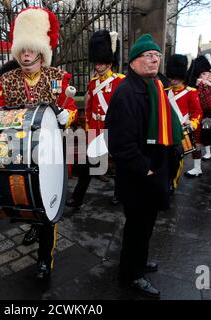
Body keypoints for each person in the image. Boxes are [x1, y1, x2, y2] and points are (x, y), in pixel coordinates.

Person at [0, 7, 78, 280]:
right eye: (22, 50)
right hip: (20, 155)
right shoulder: (6, 81)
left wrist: (69, 115)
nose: (26, 55)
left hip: (50, 155)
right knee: (27, 201)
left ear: (42, 51)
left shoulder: (59, 79)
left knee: (48, 210)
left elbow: (71, 108)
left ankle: (45, 261)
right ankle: (33, 224)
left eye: (31, 49)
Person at [105, 34, 183, 299]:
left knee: (147, 224)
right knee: (137, 227)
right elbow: (120, 144)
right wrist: (146, 169)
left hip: (154, 169)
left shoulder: (155, 86)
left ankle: (140, 261)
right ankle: (131, 274)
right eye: (147, 56)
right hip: (139, 174)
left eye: (157, 55)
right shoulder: (126, 93)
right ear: (133, 62)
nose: (154, 59)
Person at [66, 29, 125, 210]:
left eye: (101, 62)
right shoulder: (92, 83)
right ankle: (77, 198)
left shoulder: (120, 81)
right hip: (97, 130)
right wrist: (90, 127)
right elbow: (90, 107)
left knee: (121, 165)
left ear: (109, 62)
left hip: (115, 130)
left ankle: (119, 194)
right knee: (87, 166)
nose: (98, 66)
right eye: (97, 62)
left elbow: (123, 109)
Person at [165, 54, 202, 189]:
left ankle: (172, 183)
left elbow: (197, 113)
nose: (173, 81)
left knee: (177, 159)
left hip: (182, 131)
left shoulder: (191, 92)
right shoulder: (165, 91)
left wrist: (192, 124)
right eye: (172, 77)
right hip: (166, 130)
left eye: (176, 78)